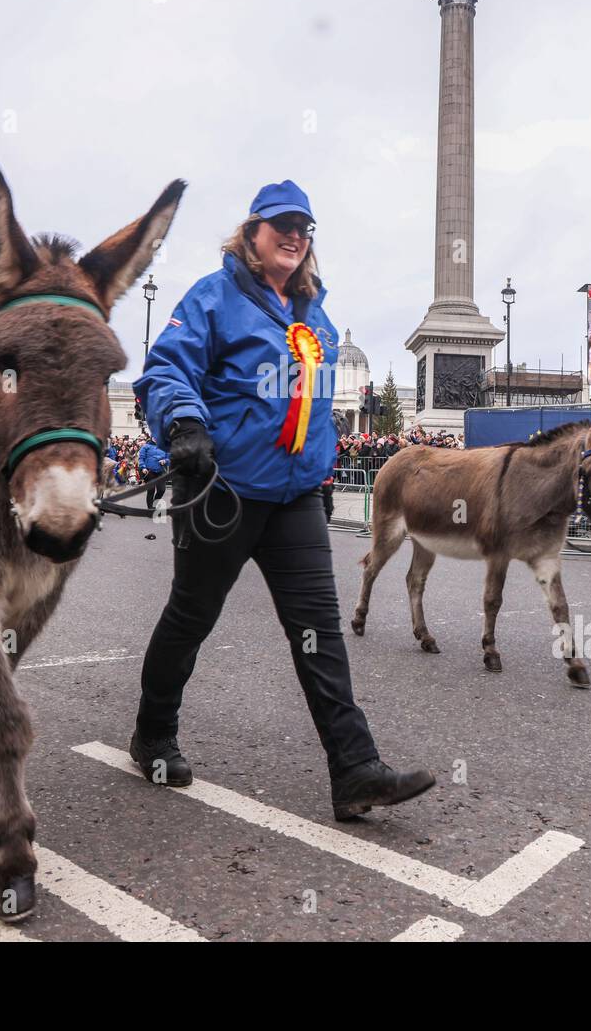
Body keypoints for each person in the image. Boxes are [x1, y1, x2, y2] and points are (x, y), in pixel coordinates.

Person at [131, 179, 434, 820]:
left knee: (319, 633)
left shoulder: (313, 312)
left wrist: (322, 462)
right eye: (281, 226)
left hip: (295, 496)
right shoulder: (213, 298)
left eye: (304, 229)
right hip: (224, 491)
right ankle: (153, 733)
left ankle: (354, 769)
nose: (294, 237)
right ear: (251, 234)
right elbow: (164, 370)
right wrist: (184, 424)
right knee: (191, 618)